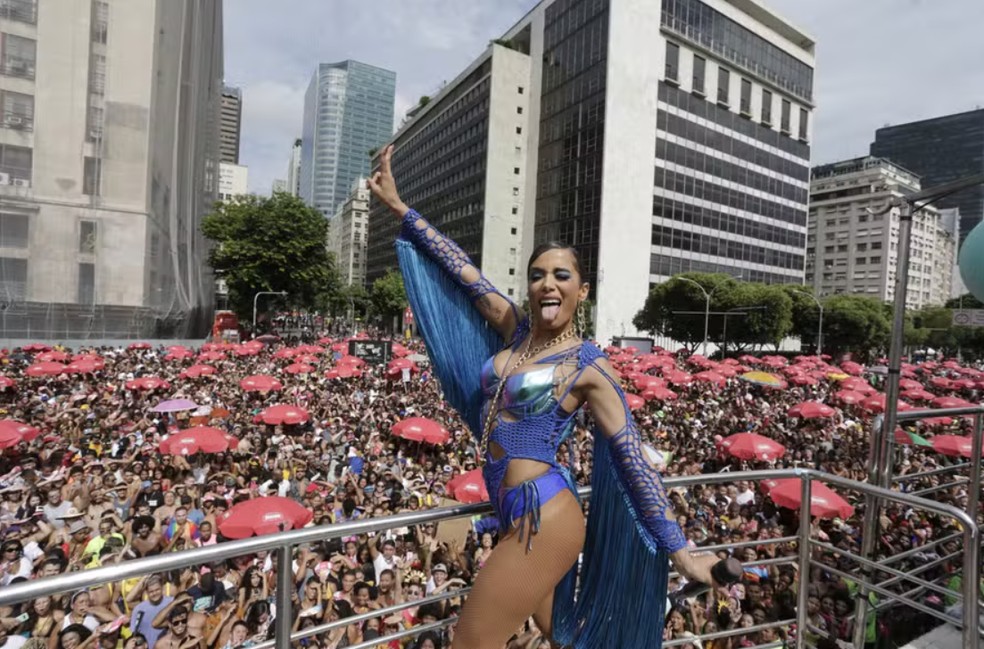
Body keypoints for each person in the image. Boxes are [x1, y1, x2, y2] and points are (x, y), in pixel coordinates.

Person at [368, 145, 733, 649]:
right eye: (538, 274)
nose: (547, 284)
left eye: (562, 276)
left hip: (547, 516)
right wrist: (401, 209)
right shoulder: (515, 332)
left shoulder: (588, 365)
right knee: (559, 636)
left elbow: (630, 454)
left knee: (470, 643)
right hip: (513, 509)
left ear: (582, 291)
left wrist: (682, 552)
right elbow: (462, 269)